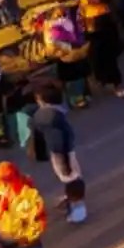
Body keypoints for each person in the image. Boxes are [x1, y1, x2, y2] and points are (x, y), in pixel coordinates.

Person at [27, 84, 85, 224]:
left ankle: (78, 210)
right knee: (72, 177)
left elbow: (52, 138)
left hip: (60, 152)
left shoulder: (45, 116)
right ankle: (73, 201)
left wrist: (63, 161)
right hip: (65, 150)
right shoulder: (57, 112)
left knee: (70, 178)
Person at [79, 0, 124, 98]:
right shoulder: (83, 4)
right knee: (97, 58)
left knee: (110, 59)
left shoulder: (102, 0)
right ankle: (102, 80)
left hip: (105, 29)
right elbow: (82, 19)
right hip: (93, 31)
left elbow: (113, 18)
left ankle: (116, 84)